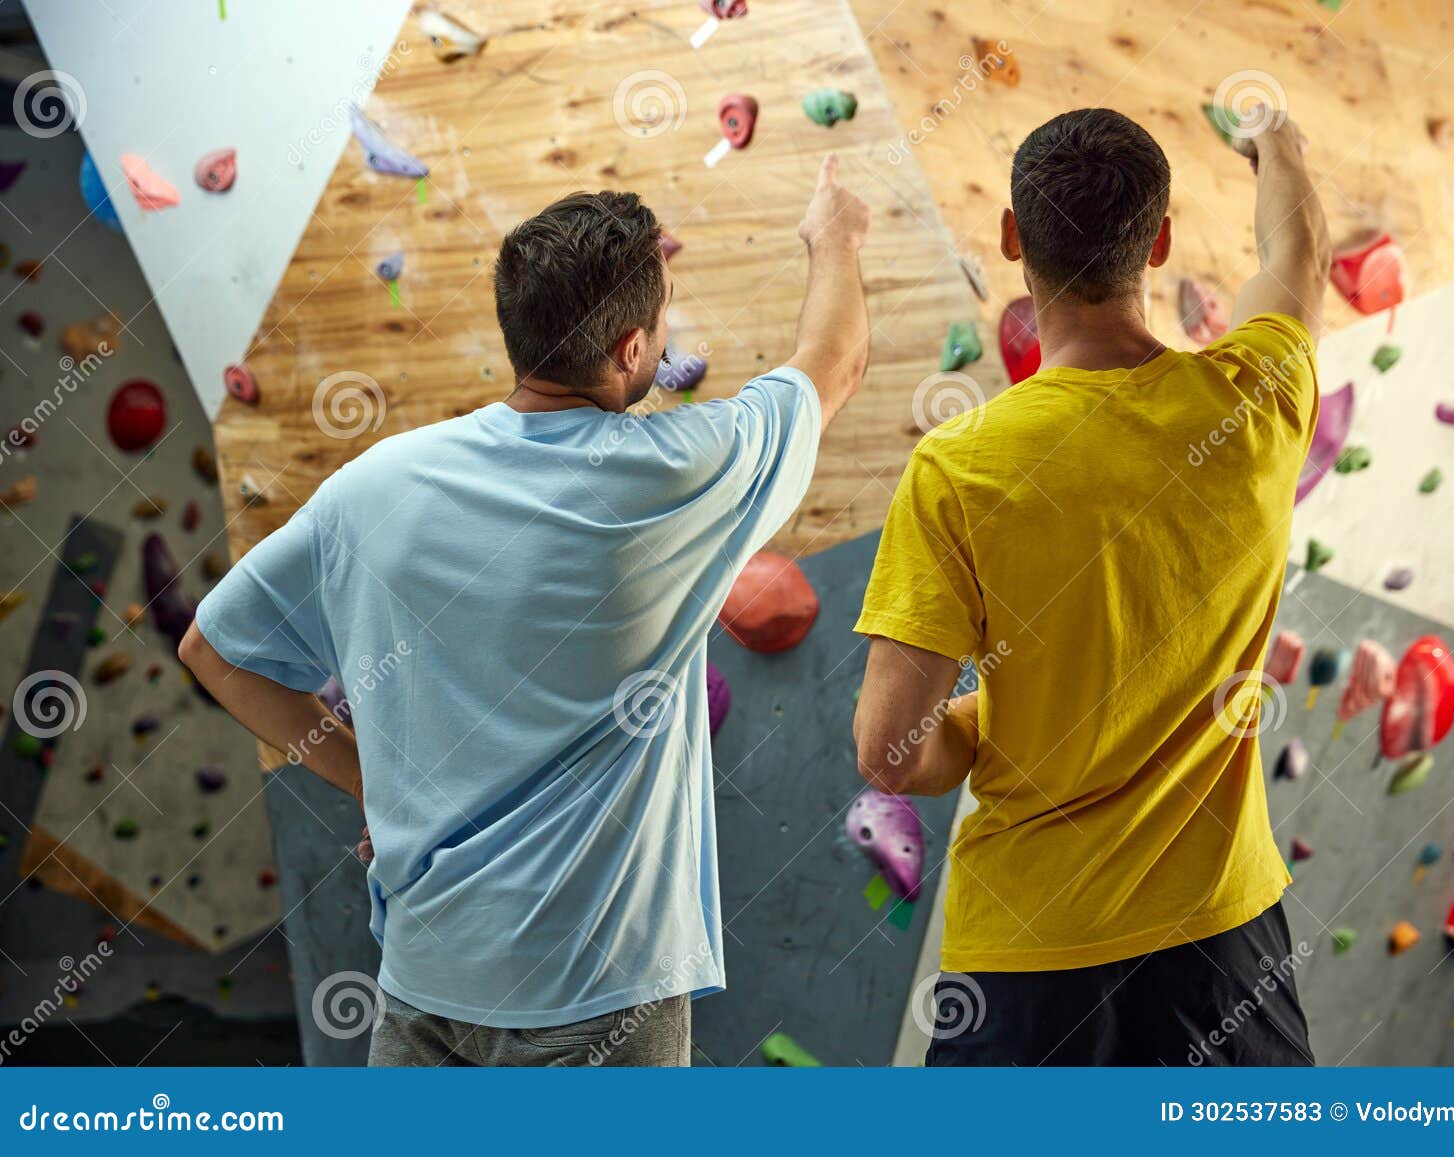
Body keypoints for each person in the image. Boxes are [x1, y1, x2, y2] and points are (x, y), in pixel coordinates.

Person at [181, 156, 871, 1066]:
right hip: (601, 1000)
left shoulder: (375, 486)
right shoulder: (678, 473)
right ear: (632, 350)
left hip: (426, 989)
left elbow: (214, 650)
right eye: (661, 317)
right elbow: (836, 363)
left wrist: (373, 787)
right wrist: (835, 238)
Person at [851, 107, 1328, 1066]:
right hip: (1223, 952)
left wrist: (1004, 714)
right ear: (1158, 243)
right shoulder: (1256, 400)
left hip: (1029, 965)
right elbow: (1299, 256)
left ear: (1012, 239)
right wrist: (1277, 144)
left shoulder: (960, 468)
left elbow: (893, 753)